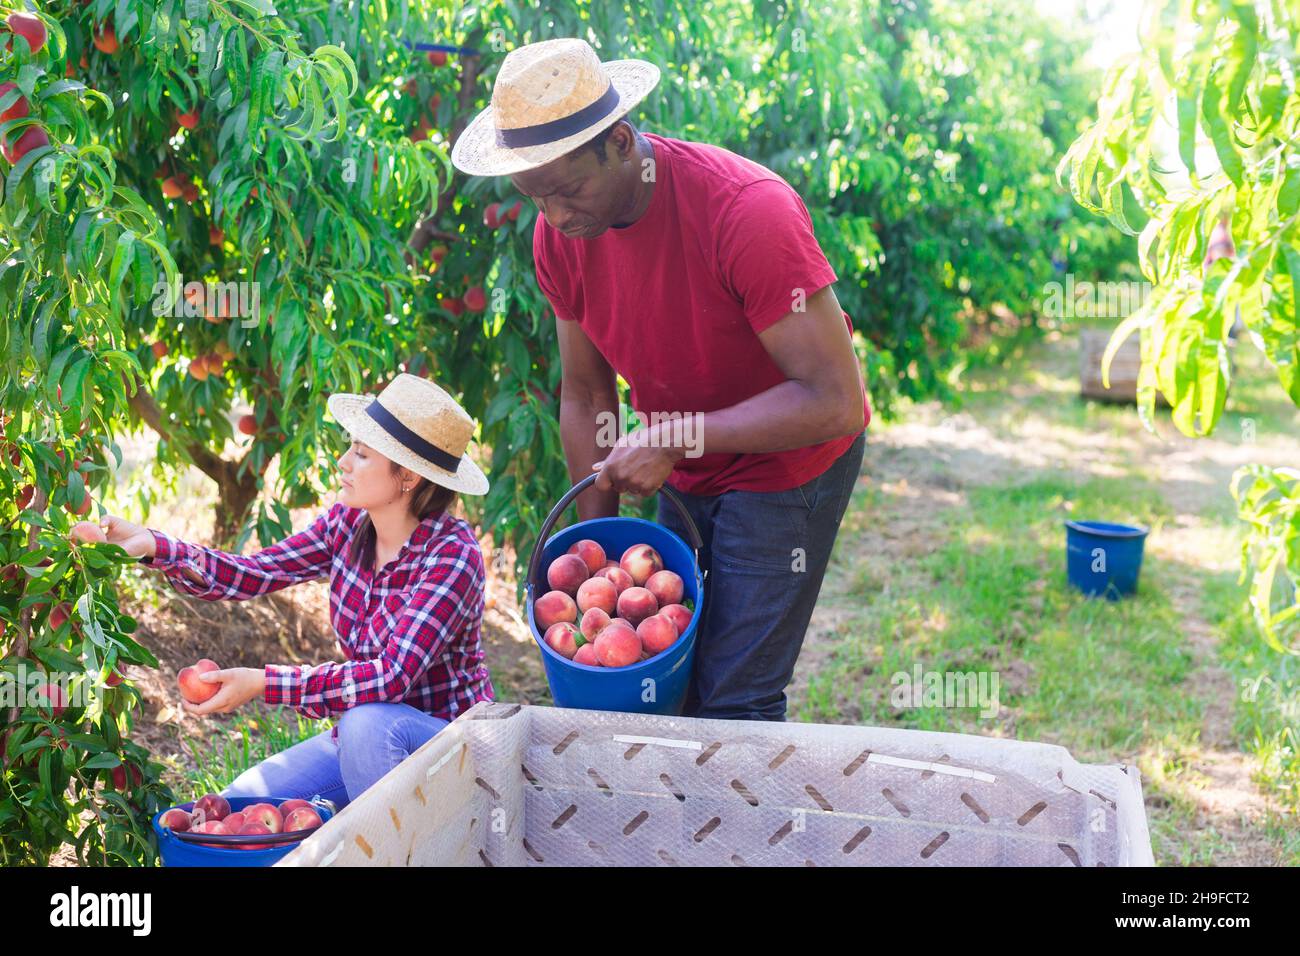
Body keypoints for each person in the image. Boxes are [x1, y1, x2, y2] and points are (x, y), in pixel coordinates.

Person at [452, 39, 870, 722]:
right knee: (661, 672)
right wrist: (597, 550)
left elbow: (836, 402)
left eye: (569, 189)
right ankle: (676, 819)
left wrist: (678, 439)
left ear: (619, 142)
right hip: (682, 457)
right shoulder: (562, 236)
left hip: (788, 464)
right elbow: (586, 393)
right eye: (535, 198)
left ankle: (733, 821)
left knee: (736, 695)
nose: (556, 217)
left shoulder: (747, 212)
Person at [97, 372, 493, 809]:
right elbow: (254, 571)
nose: (343, 462)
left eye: (361, 454)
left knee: (365, 724)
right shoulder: (348, 526)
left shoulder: (453, 556)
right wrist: (157, 545)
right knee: (234, 810)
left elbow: (390, 677)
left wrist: (264, 683)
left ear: (408, 479)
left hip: (451, 751)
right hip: (369, 748)